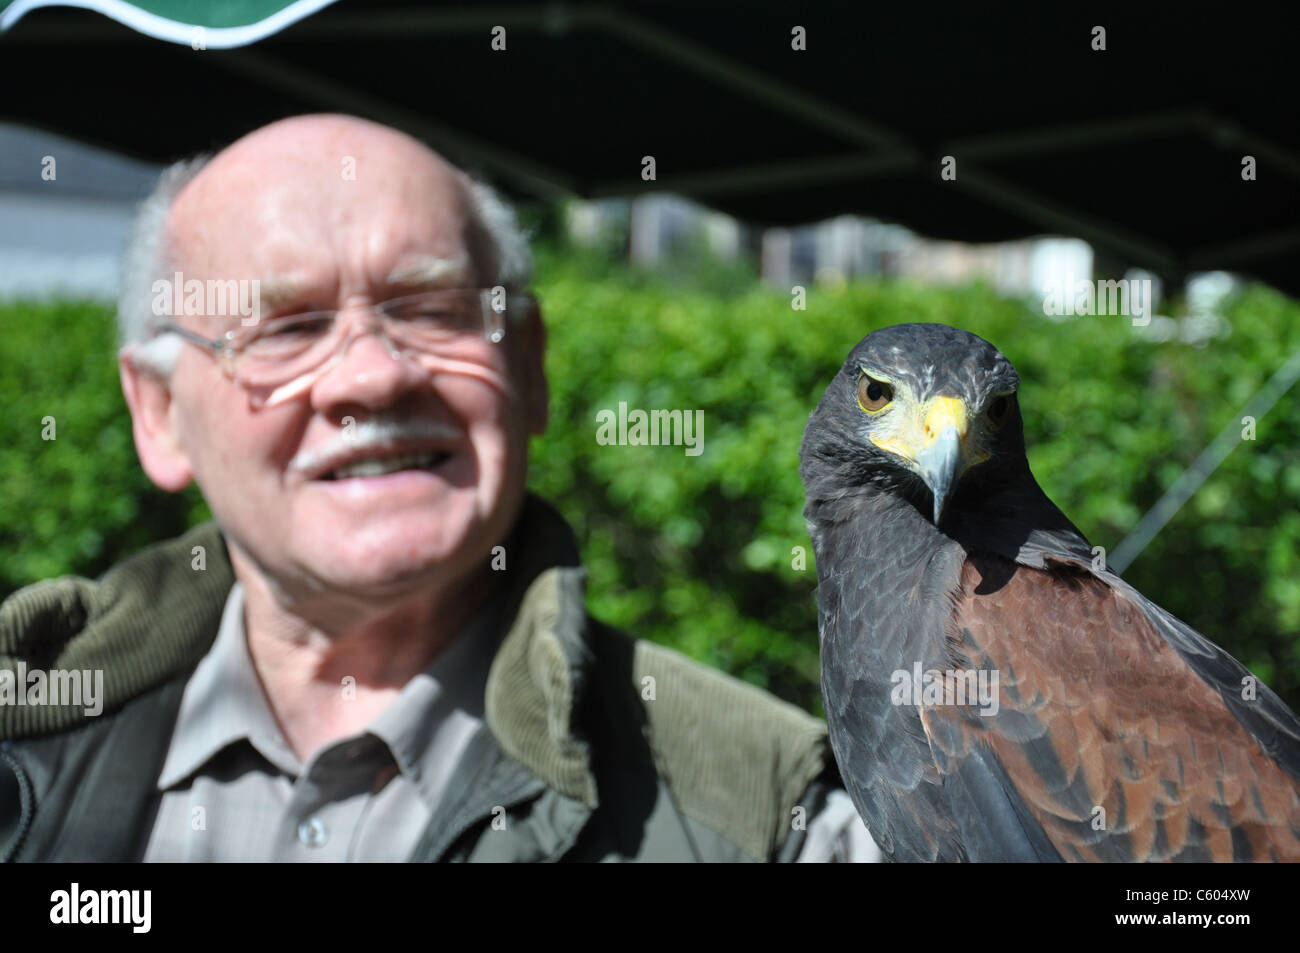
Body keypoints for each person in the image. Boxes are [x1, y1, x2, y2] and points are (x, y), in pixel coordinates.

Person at [0, 114, 877, 862]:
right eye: (288, 326)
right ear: (158, 411)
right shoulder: (26, 732)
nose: (372, 376)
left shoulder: (766, 816)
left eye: (434, 308)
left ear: (528, 366)